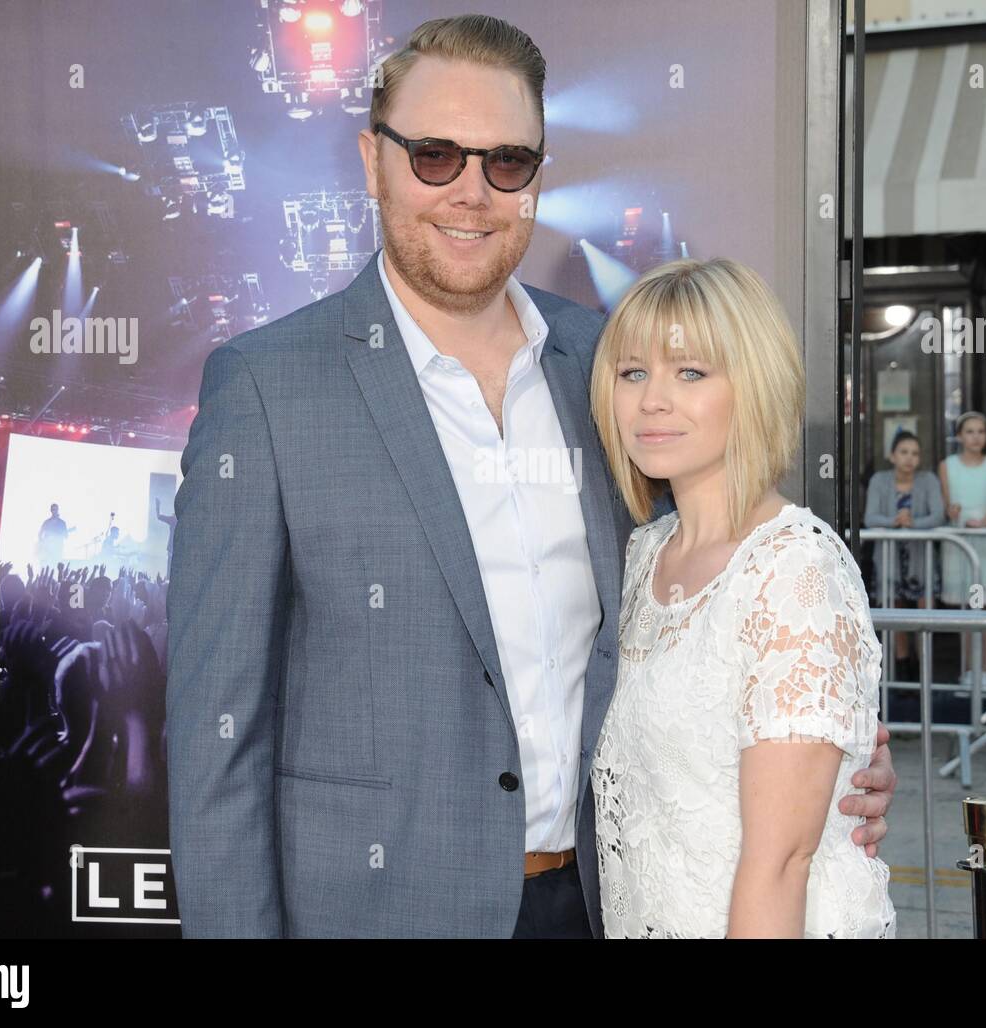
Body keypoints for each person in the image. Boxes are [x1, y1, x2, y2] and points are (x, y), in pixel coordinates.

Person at [164, 14, 898, 939]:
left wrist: (828, 759)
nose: (472, 191)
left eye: (507, 162)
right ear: (371, 161)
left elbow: (723, 595)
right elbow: (214, 741)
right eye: (436, 155)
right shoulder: (267, 386)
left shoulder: (611, 367)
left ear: (537, 179)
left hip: (597, 905)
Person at [587, 258, 894, 938]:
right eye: (633, 372)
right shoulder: (644, 555)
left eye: (690, 372)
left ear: (753, 386)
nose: (652, 399)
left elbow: (782, 860)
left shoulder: (793, 567)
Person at [863, 430, 945, 679]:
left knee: (924, 611)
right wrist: (894, 521)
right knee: (895, 609)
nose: (910, 458)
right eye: (904, 452)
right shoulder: (879, 480)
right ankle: (901, 664)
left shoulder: (928, 479)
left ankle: (924, 666)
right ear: (892, 455)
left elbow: (938, 515)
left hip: (920, 556)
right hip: (889, 557)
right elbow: (870, 517)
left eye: (915, 453)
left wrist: (912, 523)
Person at [938, 412, 986, 685]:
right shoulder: (947, 465)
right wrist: (952, 511)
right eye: (970, 431)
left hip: (985, 537)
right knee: (965, 607)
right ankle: (967, 670)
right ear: (960, 436)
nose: (976, 437)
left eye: (981, 431)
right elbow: (947, 502)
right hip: (960, 538)